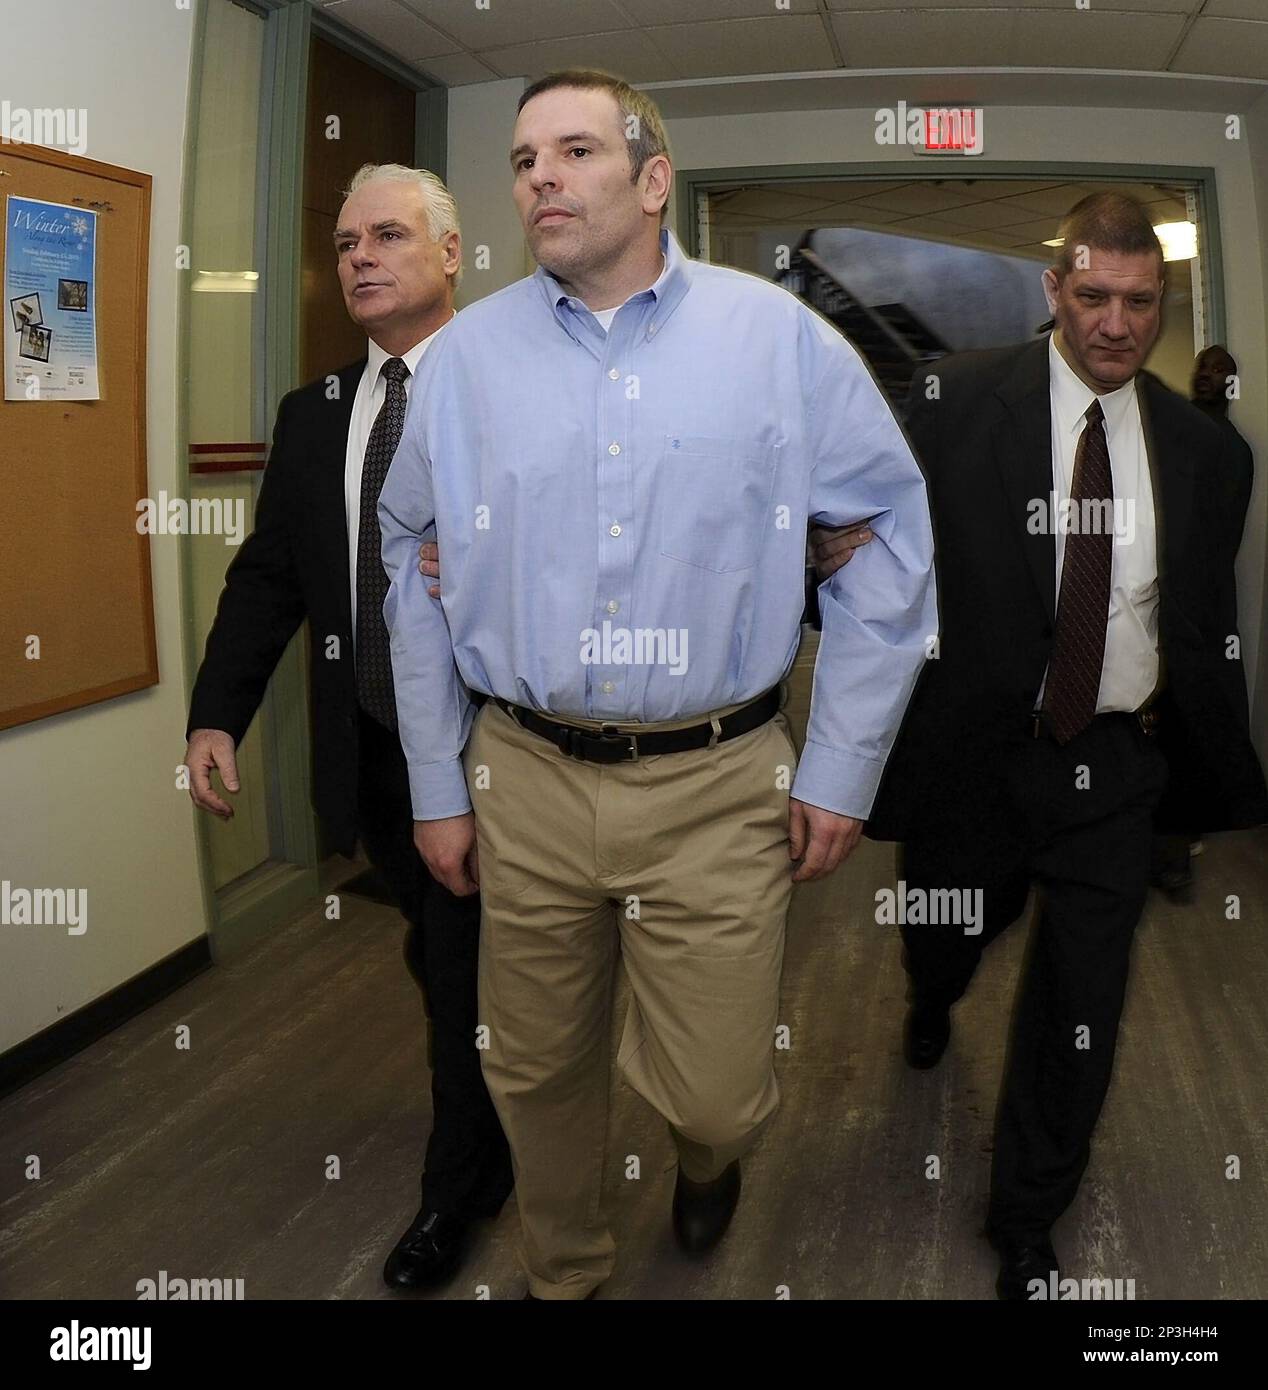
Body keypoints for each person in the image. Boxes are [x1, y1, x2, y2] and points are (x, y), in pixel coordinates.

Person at [378, 69, 936, 1300]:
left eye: (573, 151)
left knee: (718, 1088)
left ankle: (704, 1159)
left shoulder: (777, 343)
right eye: (524, 159)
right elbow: (406, 567)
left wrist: (840, 766)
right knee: (531, 1068)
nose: (539, 178)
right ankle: (562, 1266)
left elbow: (885, 546)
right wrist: (435, 778)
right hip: (520, 767)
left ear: (650, 177)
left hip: (717, 776)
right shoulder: (466, 362)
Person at [859, 192, 1268, 1298]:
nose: (1113, 323)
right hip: (978, 752)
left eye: (1139, 301)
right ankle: (930, 996)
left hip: (1115, 765)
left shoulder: (1204, 455)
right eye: (1090, 295)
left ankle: (1025, 1216)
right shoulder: (953, 398)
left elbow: (1186, 617)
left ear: (1159, 303)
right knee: (950, 923)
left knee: (1081, 999)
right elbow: (878, 542)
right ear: (1053, 290)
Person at [184, 163, 511, 1291]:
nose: (358, 259)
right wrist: (216, 715)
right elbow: (271, 577)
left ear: (452, 251)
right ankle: (501, 1101)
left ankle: (459, 1189)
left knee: (467, 970)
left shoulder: (511, 385)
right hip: (372, 746)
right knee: (439, 954)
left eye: (385, 236)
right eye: (342, 244)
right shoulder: (315, 413)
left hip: (500, 752)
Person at [1152, 344, 1258, 895]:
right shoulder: (1192, 435)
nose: (1206, 374)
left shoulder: (1225, 448)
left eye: (1220, 370)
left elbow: (1205, 540)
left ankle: (1173, 852)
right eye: (1202, 365)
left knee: (1188, 723)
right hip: (1182, 606)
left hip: (1195, 609)